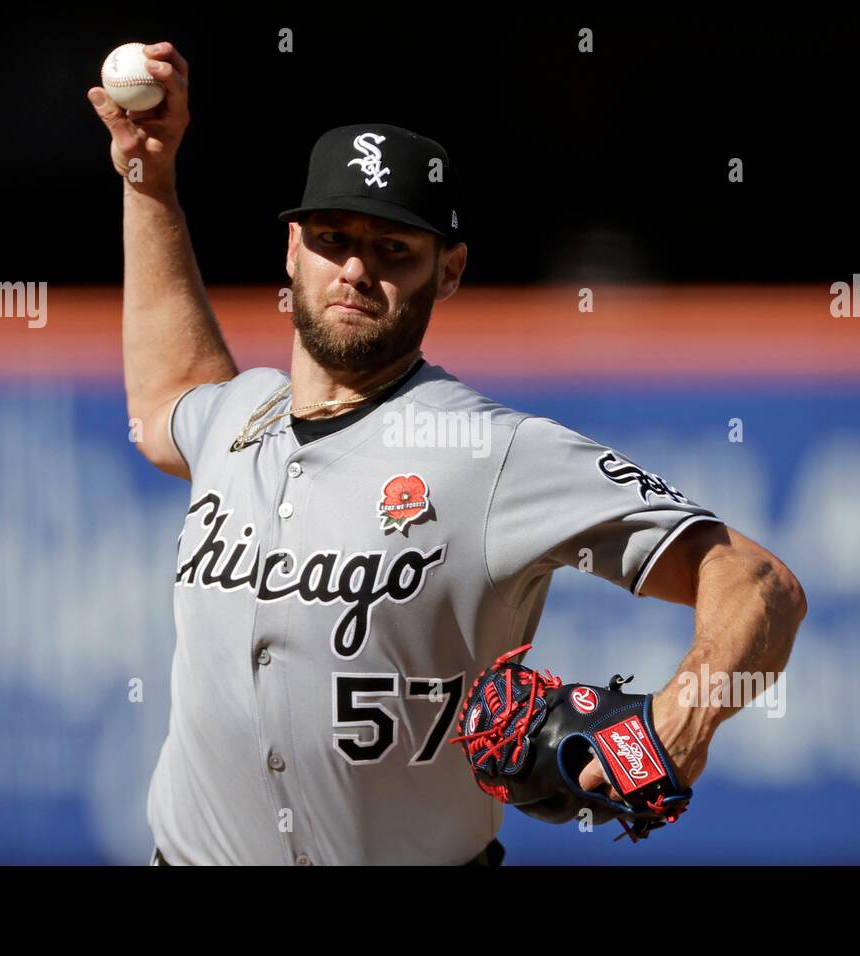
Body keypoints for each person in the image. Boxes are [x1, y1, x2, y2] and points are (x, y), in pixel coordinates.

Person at [88, 42, 807, 866]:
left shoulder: (491, 451)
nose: (356, 268)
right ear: (292, 250)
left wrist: (684, 719)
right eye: (333, 237)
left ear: (450, 269)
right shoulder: (238, 414)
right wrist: (147, 176)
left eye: (395, 248)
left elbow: (761, 585)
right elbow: (164, 401)